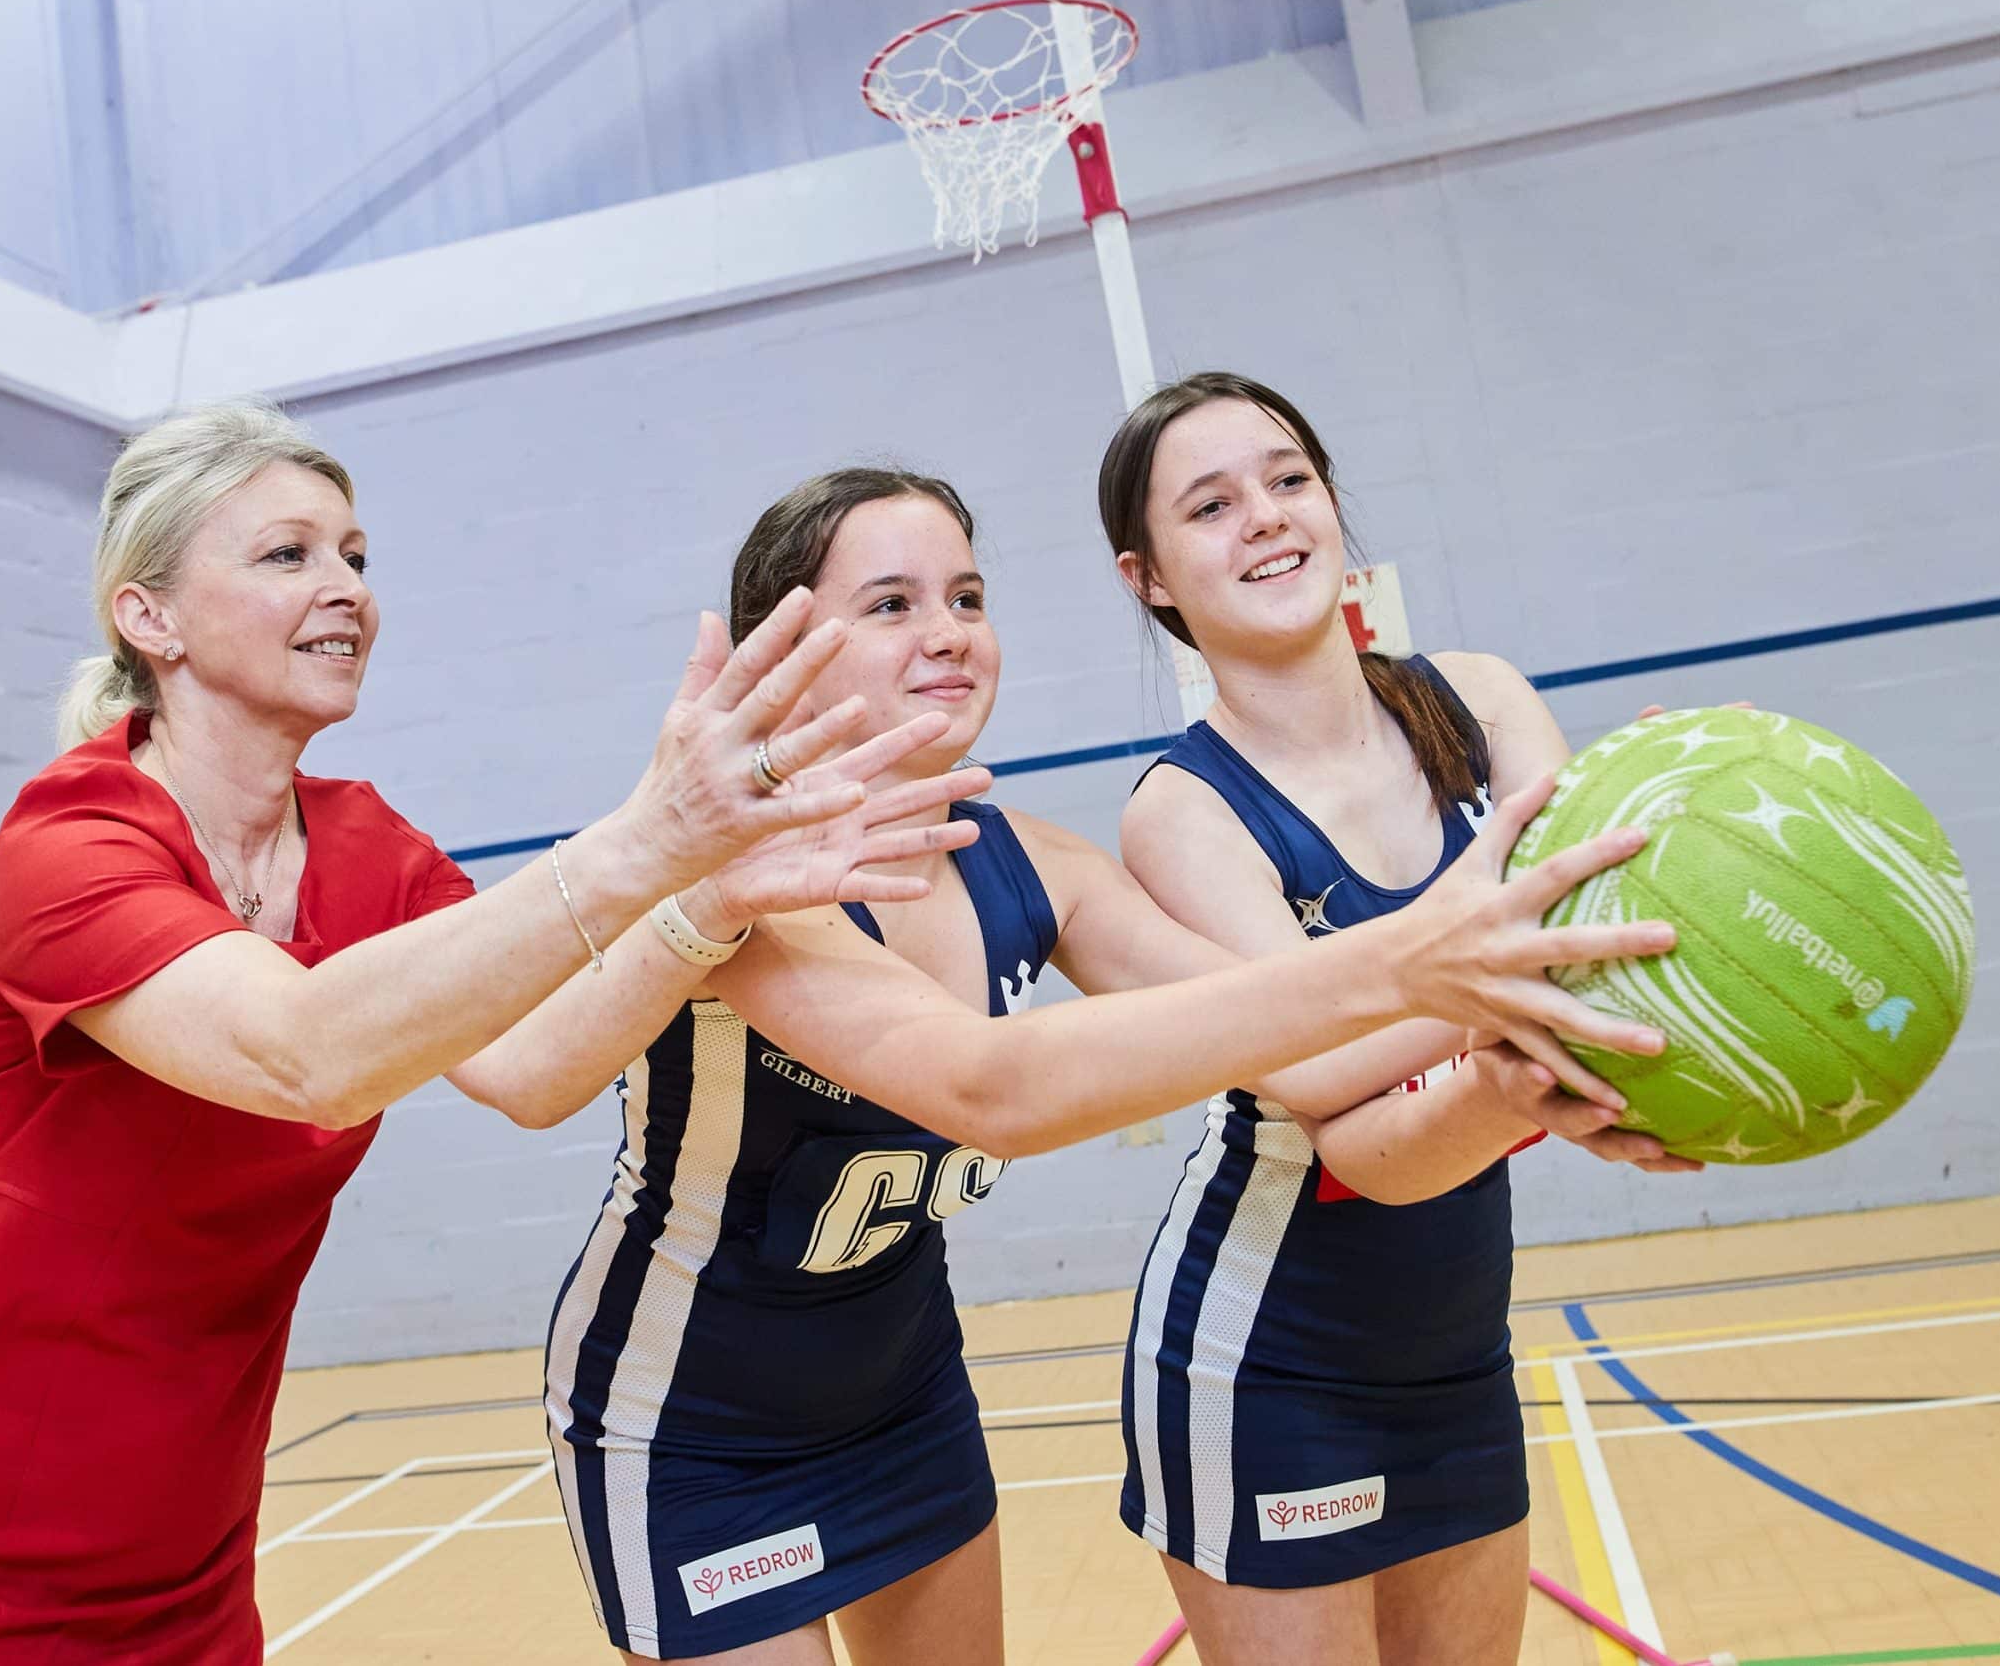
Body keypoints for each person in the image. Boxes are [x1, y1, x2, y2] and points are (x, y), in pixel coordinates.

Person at [0, 400, 991, 1664]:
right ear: (151, 618)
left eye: (356, 555)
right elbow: (305, 1055)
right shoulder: (68, 848)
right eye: (287, 555)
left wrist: (713, 892)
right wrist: (646, 844)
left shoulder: (369, 849)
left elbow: (533, 1069)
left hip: (179, 1561)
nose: (345, 586)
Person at [454, 466, 1679, 1663]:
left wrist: (1537, 1000)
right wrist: (1432, 956)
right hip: (690, 1431)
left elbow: (1301, 1047)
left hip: (905, 1397)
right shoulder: (757, 887)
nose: (947, 633)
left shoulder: (1031, 865)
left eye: (968, 598)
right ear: (787, 658)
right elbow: (992, 1088)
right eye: (892, 605)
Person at [1099, 371, 1699, 1666]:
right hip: (1265, 1360)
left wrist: (1685, 847)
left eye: (1288, 479)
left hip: (1457, 1352)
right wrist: (1519, 990)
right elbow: (1331, 1098)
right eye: (1212, 504)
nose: (1264, 516)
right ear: (1150, 577)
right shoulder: (1183, 811)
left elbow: (1596, 953)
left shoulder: (1477, 700)